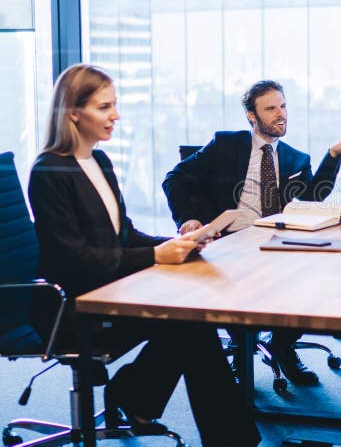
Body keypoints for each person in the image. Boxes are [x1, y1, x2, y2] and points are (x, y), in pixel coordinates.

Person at [28, 64, 260, 446]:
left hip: (110, 289)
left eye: (114, 105)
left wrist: (180, 244)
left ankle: (142, 398)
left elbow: (124, 235)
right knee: (190, 322)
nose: (115, 115)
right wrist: (156, 256)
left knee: (193, 318)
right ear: (73, 112)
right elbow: (74, 260)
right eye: (104, 107)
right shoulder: (49, 171)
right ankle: (142, 398)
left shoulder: (98, 161)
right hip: (71, 306)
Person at [163, 79, 341, 386]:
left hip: (274, 240)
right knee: (236, 283)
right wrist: (187, 220)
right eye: (270, 108)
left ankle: (282, 345)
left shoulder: (296, 158)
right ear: (252, 116)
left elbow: (312, 198)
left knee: (315, 273)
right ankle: (241, 351)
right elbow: (174, 179)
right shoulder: (226, 145)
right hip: (228, 241)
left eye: (283, 106)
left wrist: (334, 154)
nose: (280, 113)